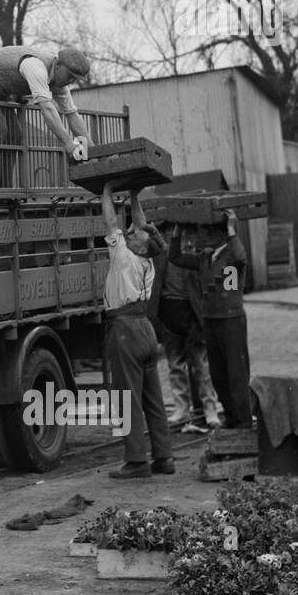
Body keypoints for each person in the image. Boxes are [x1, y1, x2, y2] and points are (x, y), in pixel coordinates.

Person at [100, 181, 173, 479]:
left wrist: (105, 192)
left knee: (128, 397)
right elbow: (143, 226)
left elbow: (109, 220)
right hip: (146, 329)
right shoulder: (149, 260)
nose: (129, 231)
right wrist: (133, 195)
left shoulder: (123, 256)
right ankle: (164, 458)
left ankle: (136, 461)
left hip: (125, 330)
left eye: (133, 233)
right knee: (154, 399)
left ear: (139, 243)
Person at [168, 209, 253, 428]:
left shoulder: (231, 255)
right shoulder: (205, 258)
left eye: (208, 233)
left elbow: (240, 257)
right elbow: (175, 257)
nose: (202, 237)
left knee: (236, 373)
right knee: (217, 374)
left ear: (220, 235)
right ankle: (231, 417)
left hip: (231, 321)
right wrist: (177, 230)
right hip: (211, 321)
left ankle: (242, 421)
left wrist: (232, 230)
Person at [0, 44, 93, 159]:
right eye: (70, 76)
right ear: (57, 65)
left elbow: (72, 115)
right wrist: (69, 143)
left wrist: (92, 152)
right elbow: (48, 109)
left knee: (15, 135)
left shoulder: (59, 83)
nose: (71, 82)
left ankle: (4, 186)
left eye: (75, 79)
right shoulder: (36, 67)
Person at [149, 225, 223, 432]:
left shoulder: (195, 259)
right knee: (175, 364)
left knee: (201, 364)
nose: (183, 240)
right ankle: (182, 408)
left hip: (191, 315)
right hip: (170, 314)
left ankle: (210, 409)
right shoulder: (164, 255)